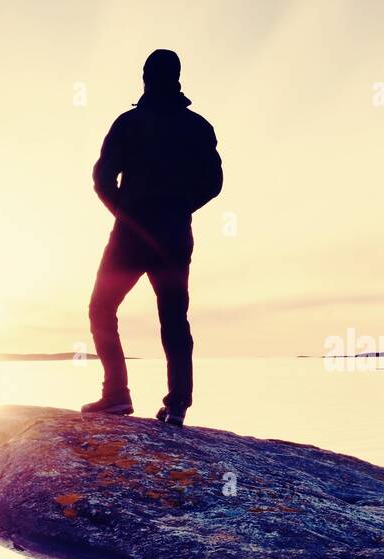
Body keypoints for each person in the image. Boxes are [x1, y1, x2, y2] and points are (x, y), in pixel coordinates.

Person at [82, 49, 222, 423]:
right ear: (177, 78)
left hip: (130, 236)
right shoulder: (198, 127)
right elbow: (214, 184)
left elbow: (101, 179)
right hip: (174, 236)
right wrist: (180, 209)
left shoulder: (129, 123)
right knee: (174, 318)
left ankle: (116, 395)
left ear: (146, 77)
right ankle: (177, 404)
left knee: (101, 309)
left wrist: (125, 214)